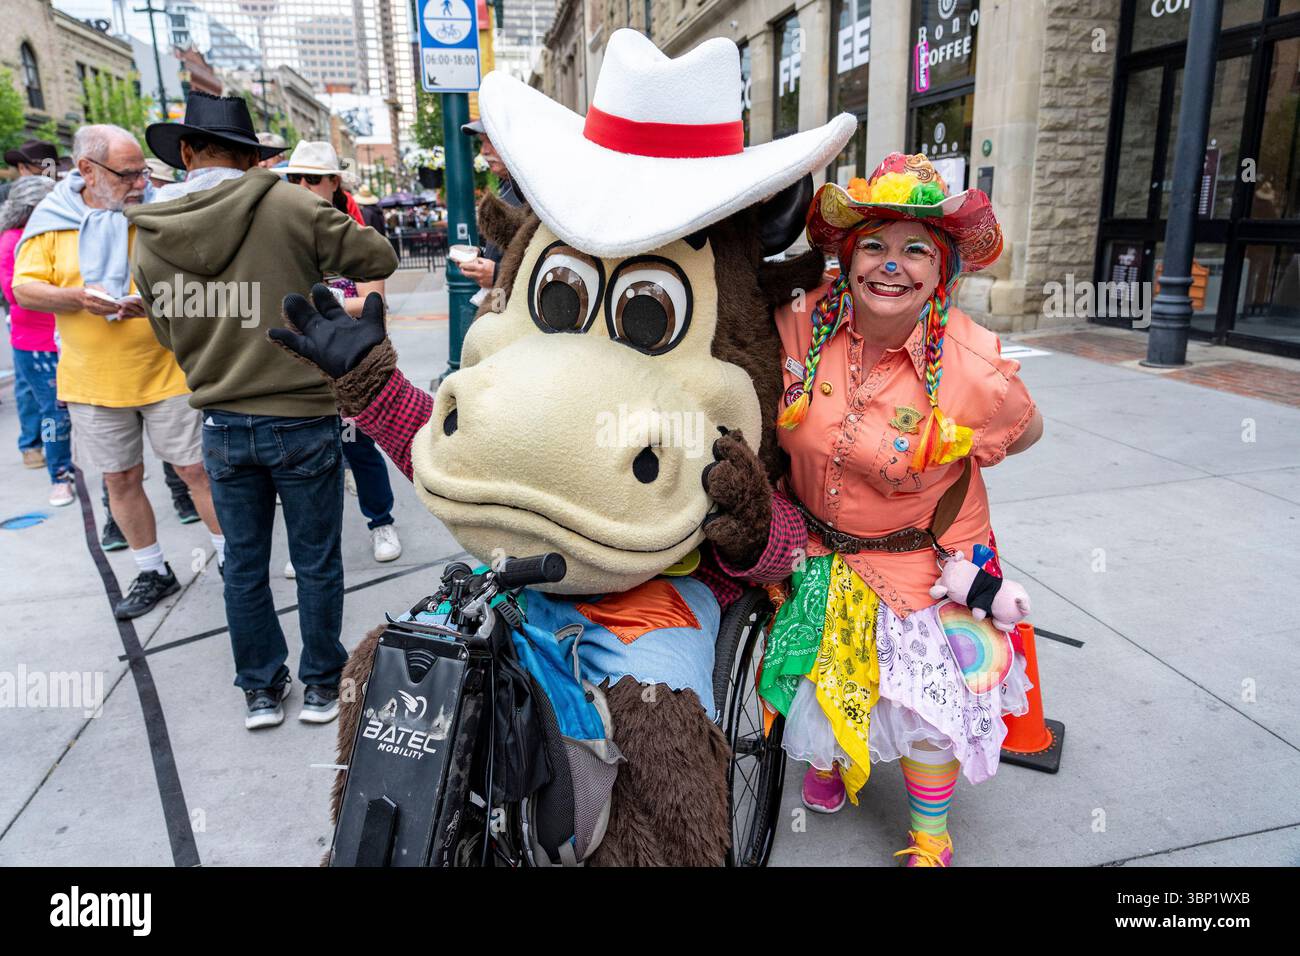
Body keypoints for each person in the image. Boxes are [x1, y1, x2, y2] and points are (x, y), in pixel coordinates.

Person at [756, 153, 1044, 867]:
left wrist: (965, 443)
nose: (892, 265)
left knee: (926, 706)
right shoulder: (799, 322)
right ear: (848, 261)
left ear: (941, 270)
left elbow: (1027, 429)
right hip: (817, 551)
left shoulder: (974, 366)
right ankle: (828, 764)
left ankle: (929, 840)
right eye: (874, 246)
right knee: (819, 674)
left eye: (916, 249)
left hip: (922, 560)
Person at [128, 92, 398, 730]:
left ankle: (258, 690)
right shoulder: (288, 203)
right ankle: (322, 686)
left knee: (243, 565)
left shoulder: (149, 233)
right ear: (252, 157)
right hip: (301, 415)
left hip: (221, 421)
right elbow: (378, 259)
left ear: (187, 152)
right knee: (315, 560)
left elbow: (167, 336)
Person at [12, 124, 223, 620]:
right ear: (86, 169)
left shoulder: (159, 208)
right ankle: (152, 570)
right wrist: (77, 298)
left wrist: (157, 303)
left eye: (141, 170)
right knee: (120, 479)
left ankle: (233, 561)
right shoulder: (51, 219)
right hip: (92, 382)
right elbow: (25, 289)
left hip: (166, 369)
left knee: (198, 471)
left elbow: (204, 274)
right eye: (127, 172)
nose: (138, 181)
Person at [279, 141, 402, 568]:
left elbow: (374, 304)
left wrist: (317, 304)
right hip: (301, 364)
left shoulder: (357, 227)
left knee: (359, 446)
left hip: (350, 363)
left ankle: (381, 521)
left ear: (335, 182)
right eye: (295, 178)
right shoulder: (282, 226)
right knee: (306, 456)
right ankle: (308, 543)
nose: (303, 186)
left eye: (313, 178)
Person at [1, 175, 72, 503]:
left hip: (69, 335)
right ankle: (59, 475)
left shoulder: (55, 232)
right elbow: (15, 293)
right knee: (53, 410)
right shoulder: (12, 240)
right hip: (36, 342)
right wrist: (69, 293)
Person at [457, 119, 522, 289]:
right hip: (500, 301)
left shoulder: (532, 194)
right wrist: (482, 255)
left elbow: (547, 263)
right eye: (482, 141)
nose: (484, 150)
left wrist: (497, 274)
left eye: (490, 140)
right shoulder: (509, 185)